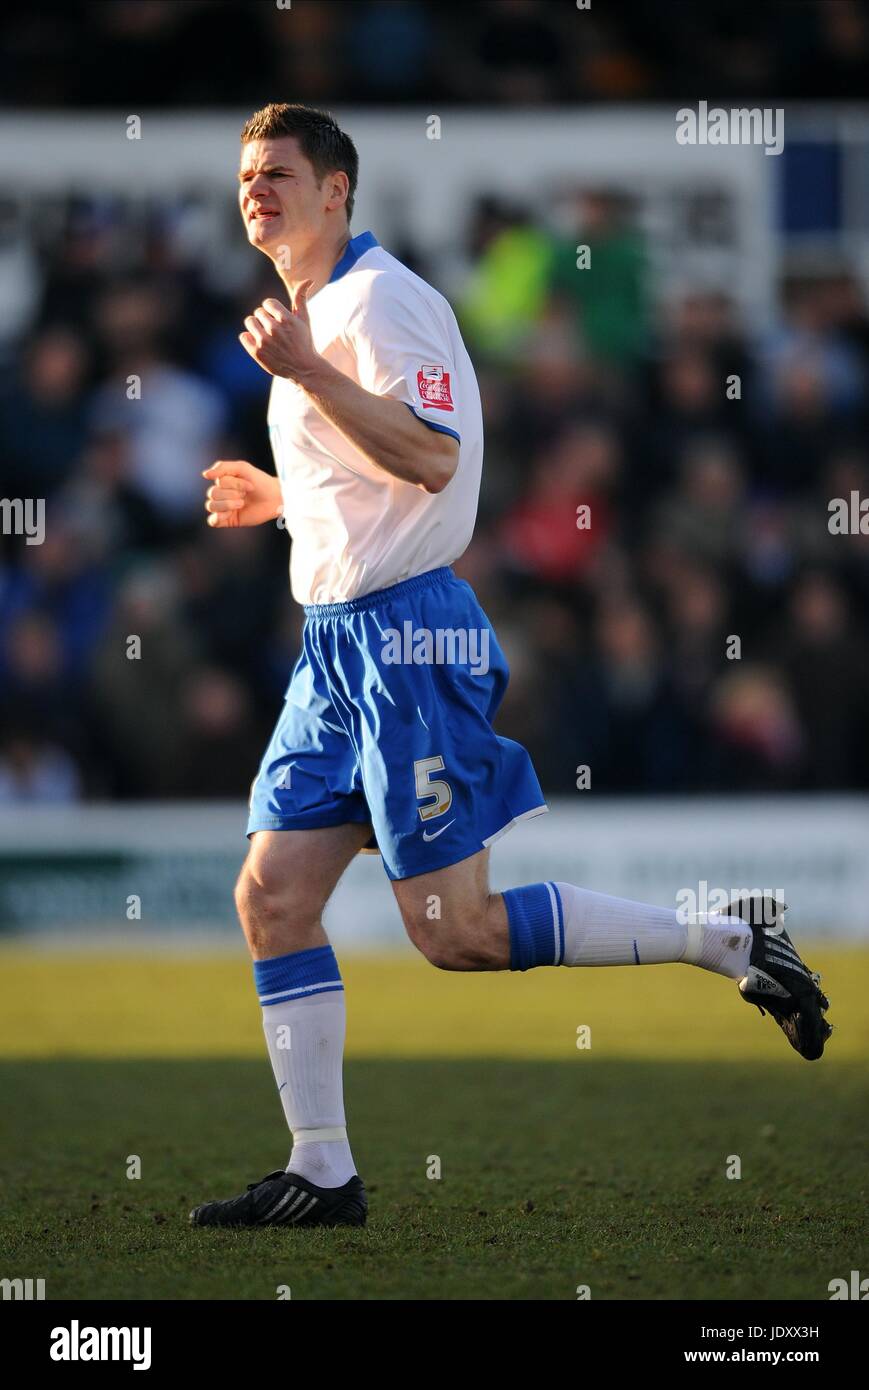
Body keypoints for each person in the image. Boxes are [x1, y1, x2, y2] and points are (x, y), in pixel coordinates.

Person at [190, 105, 832, 1232]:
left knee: (456, 933)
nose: (257, 191)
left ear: (336, 189)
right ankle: (322, 1169)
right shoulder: (309, 313)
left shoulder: (382, 300)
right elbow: (368, 481)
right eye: (246, 176)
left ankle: (729, 940)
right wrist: (281, 498)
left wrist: (308, 375)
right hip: (332, 648)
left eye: (278, 173)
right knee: (272, 897)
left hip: (406, 641)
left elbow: (433, 459)